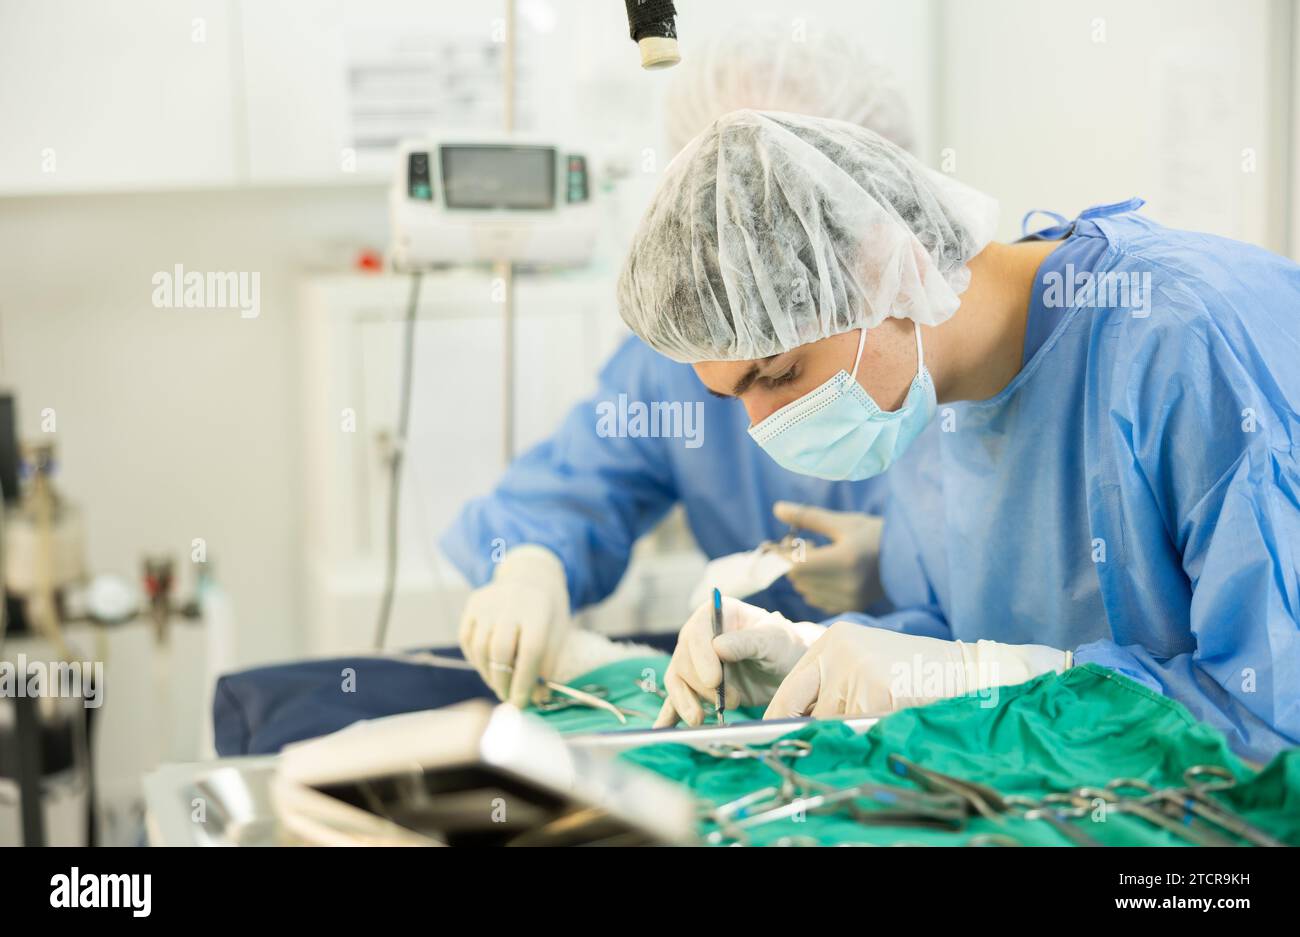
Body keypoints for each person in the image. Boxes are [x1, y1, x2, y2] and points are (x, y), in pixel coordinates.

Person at [617, 109, 1300, 762]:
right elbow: (976, 637)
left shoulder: (1184, 338)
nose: (762, 427)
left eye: (781, 373)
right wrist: (813, 657)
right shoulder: (922, 398)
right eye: (732, 395)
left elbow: (1272, 720)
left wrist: (981, 678)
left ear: (885, 267)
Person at [442, 26, 915, 708]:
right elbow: (581, 479)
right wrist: (530, 565)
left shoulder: (923, 344)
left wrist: (899, 567)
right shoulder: (680, 360)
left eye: (780, 372)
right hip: (765, 699)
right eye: (725, 184)